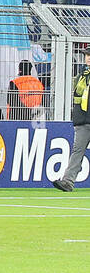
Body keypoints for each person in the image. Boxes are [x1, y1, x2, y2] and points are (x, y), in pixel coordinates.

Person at [55, 51, 90, 192]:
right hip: (82, 119)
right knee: (77, 151)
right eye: (87, 55)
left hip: (83, 118)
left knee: (77, 151)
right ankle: (67, 182)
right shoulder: (82, 74)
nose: (88, 58)